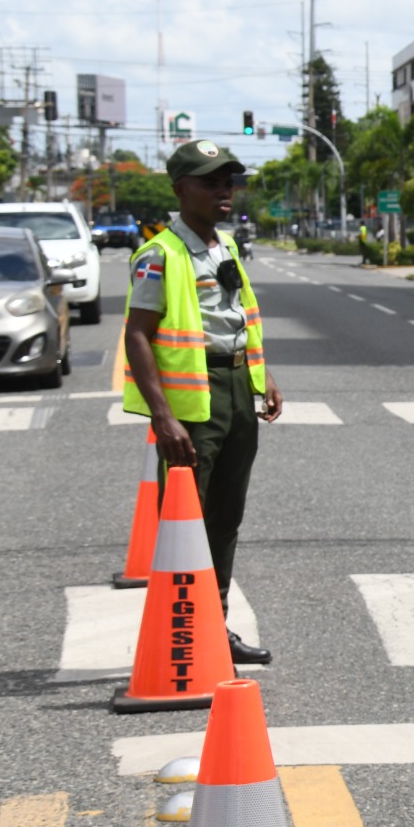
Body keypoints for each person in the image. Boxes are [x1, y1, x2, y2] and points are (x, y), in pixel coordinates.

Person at [122, 138, 279, 666]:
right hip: (193, 402)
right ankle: (181, 634)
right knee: (185, 522)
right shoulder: (160, 255)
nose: (223, 192)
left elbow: (237, 318)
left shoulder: (225, 246)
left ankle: (215, 627)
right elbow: (138, 334)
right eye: (210, 183)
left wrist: (263, 376)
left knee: (225, 519)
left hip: (236, 391)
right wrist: (163, 417)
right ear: (180, 190)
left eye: (227, 182)